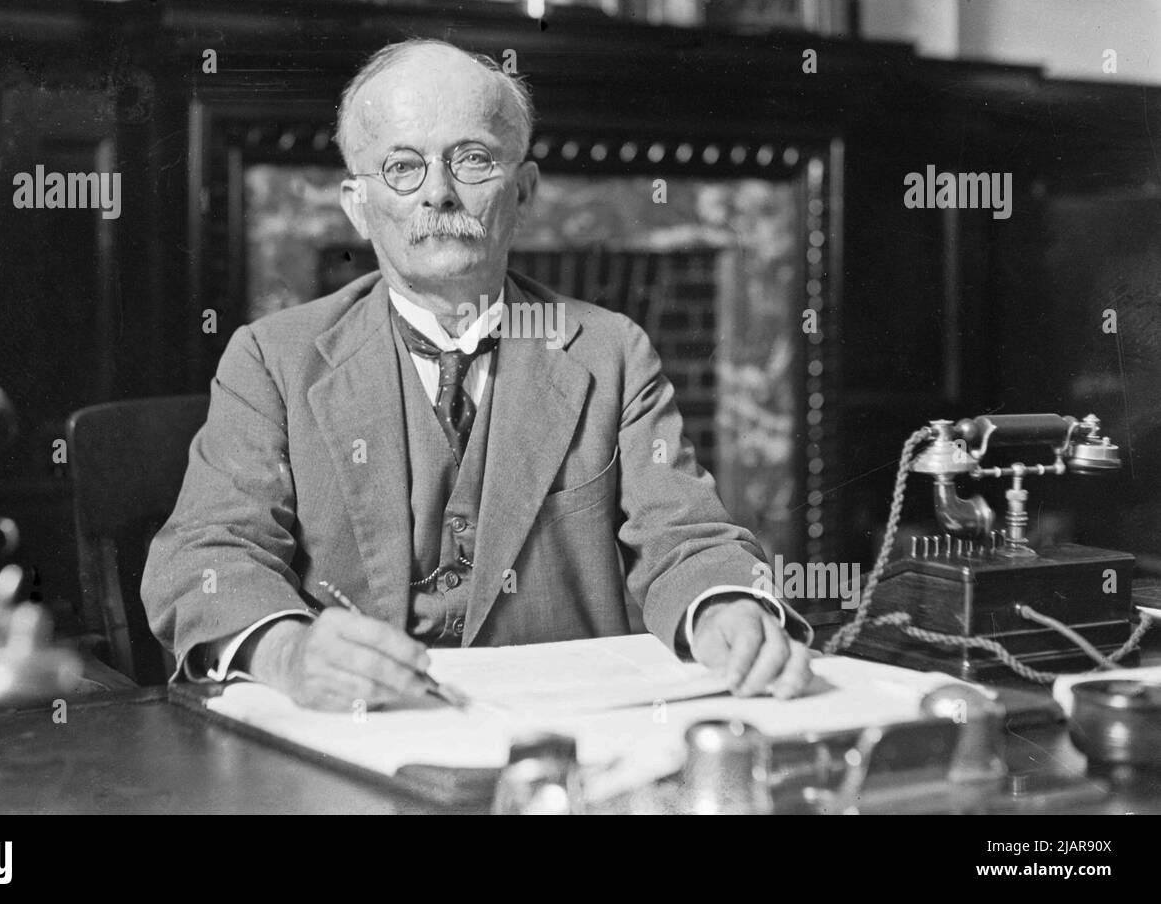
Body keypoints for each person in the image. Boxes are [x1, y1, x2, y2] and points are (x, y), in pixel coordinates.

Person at [142, 39, 812, 711]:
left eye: (472, 159)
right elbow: (208, 552)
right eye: (402, 166)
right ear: (356, 204)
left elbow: (684, 536)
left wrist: (726, 607)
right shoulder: (272, 358)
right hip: (357, 739)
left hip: (566, 742)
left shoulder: (612, 351)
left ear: (522, 192)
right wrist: (287, 651)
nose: (437, 192)